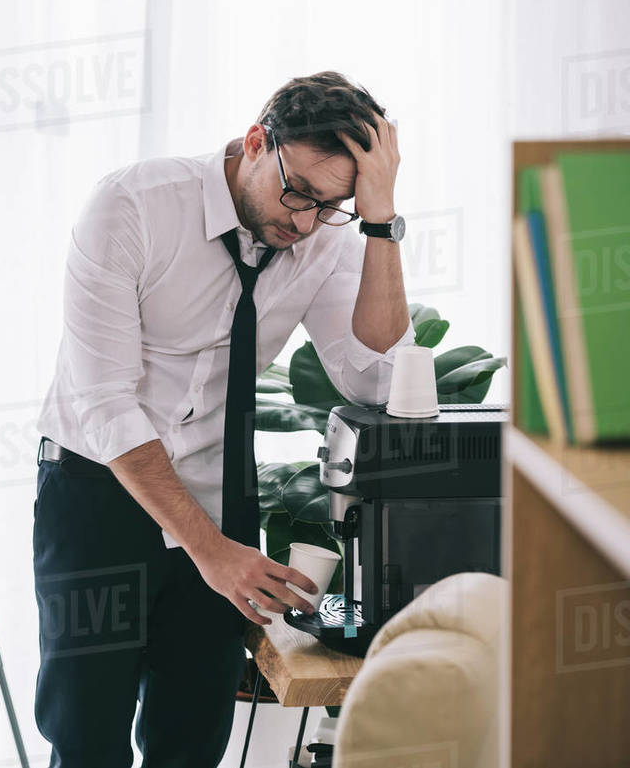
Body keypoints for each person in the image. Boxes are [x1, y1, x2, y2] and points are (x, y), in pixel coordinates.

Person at [33, 71, 414, 767]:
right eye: (297, 192)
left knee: (193, 740)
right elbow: (106, 403)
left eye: (330, 205)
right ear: (256, 140)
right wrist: (211, 551)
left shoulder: (322, 234)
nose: (303, 223)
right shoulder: (131, 207)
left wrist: (379, 220)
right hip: (97, 491)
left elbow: (374, 373)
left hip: (218, 496)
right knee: (86, 737)